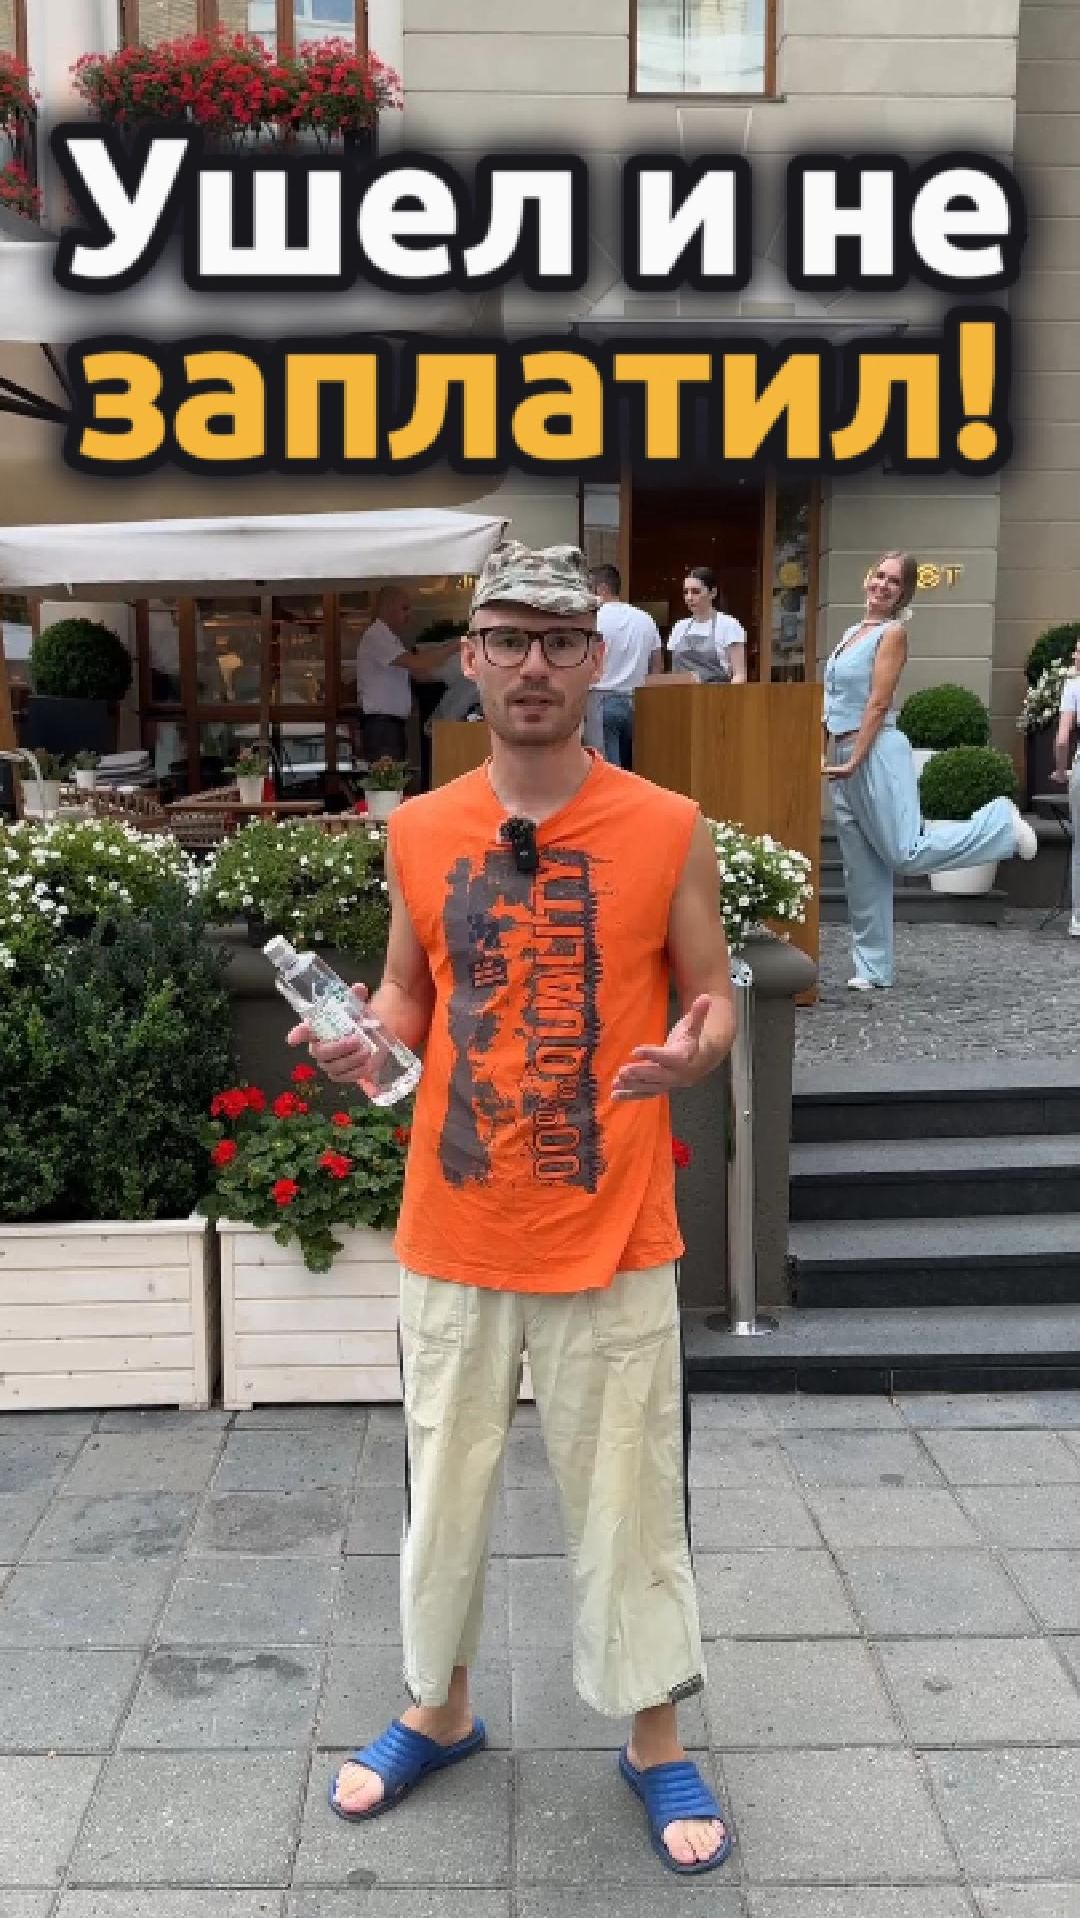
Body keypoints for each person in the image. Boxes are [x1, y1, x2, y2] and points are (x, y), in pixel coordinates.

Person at [291, 541, 737, 1877]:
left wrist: (694, 1051)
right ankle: (440, 1707)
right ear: (472, 662)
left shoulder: (669, 824)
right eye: (506, 639)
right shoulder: (420, 829)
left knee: (631, 1491)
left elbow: (713, 995)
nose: (533, 664)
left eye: (559, 639)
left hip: (615, 1227)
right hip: (457, 1224)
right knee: (445, 1492)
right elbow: (406, 994)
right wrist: (362, 1041)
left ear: (595, 660)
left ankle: (654, 1736)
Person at [825, 550, 1037, 990]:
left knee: (904, 852)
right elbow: (834, 699)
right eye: (880, 576)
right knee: (862, 870)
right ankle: (873, 968)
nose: (882, 585)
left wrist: (855, 759)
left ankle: (999, 824)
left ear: (904, 594)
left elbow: (879, 702)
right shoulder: (850, 633)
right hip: (844, 754)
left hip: (874, 753)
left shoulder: (892, 633)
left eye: (894, 582)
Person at [356, 586, 463, 765]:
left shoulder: (391, 640)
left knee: (393, 778)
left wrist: (459, 674)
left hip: (390, 726)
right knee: (387, 781)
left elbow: (419, 674)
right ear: (388, 607)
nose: (409, 615)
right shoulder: (377, 637)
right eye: (404, 608)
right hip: (382, 726)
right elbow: (417, 663)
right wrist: (456, 646)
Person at [583, 563, 664, 768]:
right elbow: (657, 665)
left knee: (607, 769)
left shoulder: (594, 618)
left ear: (601, 589)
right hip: (638, 701)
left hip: (601, 699)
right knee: (638, 767)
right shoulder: (645, 618)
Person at [667, 566, 747, 685]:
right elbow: (674, 674)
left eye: (696, 591)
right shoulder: (679, 627)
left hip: (717, 694)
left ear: (713, 593)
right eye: (686, 592)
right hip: (682, 694)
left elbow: (739, 675)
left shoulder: (729, 625)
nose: (689, 597)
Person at [1049, 636, 1080, 935]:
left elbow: (1062, 739)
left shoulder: (1073, 687)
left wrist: (1061, 770)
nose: (1074, 656)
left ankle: (1078, 918)